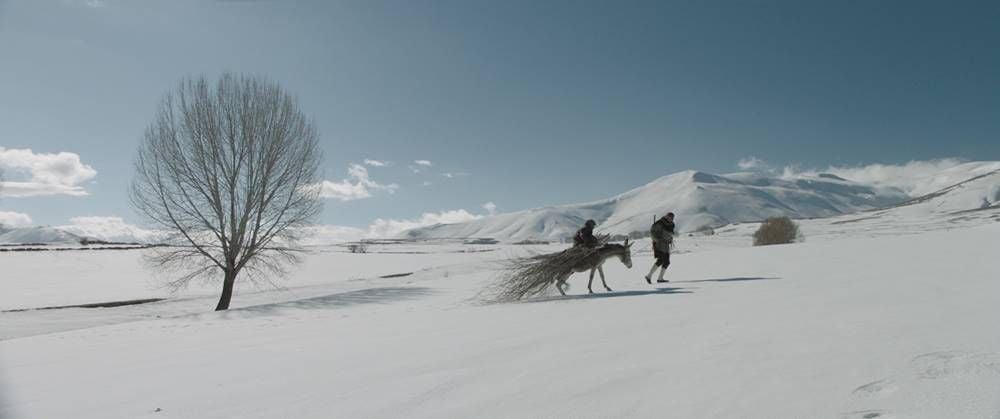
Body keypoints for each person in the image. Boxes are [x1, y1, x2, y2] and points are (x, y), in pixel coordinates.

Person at [645, 212, 675, 284]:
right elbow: (652, 232)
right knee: (661, 260)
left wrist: (670, 239)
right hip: (659, 244)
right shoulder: (660, 223)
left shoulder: (672, 224)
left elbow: (670, 233)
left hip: (666, 245)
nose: (670, 218)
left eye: (672, 217)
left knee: (666, 262)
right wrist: (656, 240)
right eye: (669, 217)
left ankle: (659, 278)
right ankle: (649, 276)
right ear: (666, 216)